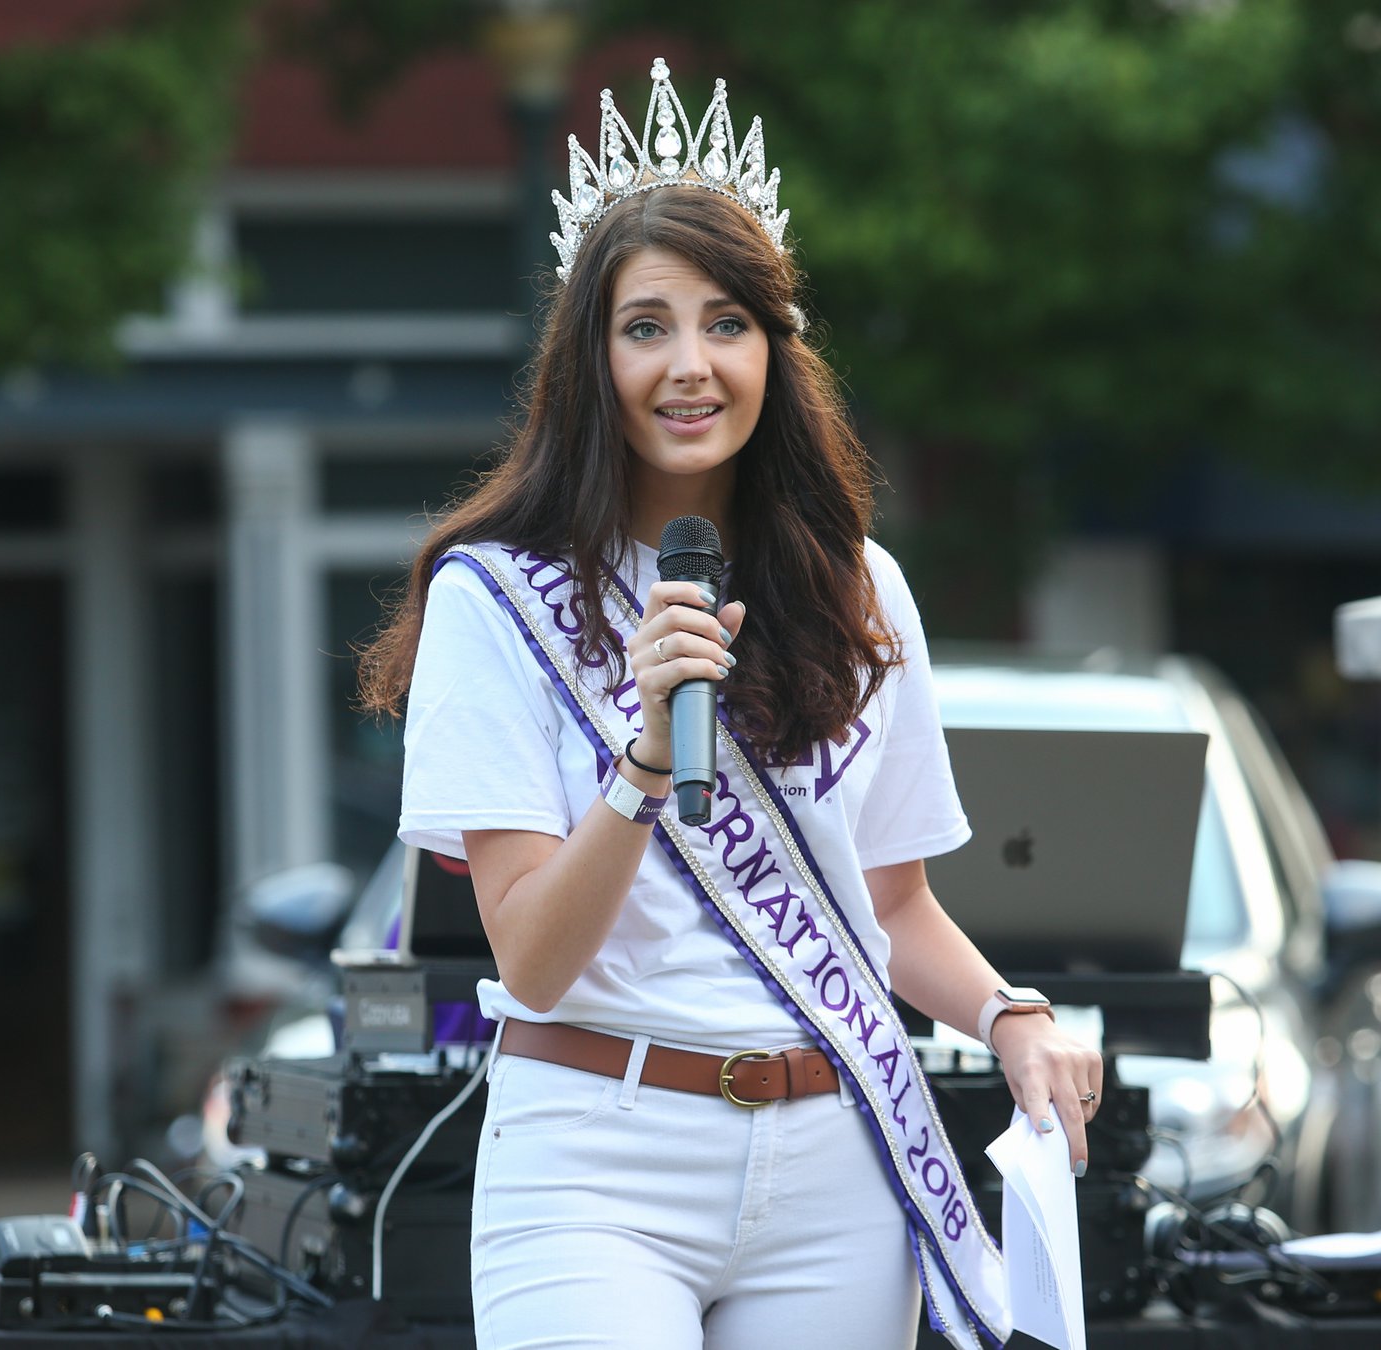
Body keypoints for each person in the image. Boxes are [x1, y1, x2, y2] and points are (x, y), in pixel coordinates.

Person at [359, 57, 1103, 1350]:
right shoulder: (498, 601)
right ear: (588, 357)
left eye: (726, 322)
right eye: (645, 325)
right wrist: (647, 757)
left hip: (833, 1162)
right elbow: (529, 954)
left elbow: (891, 906)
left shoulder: (860, 589)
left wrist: (1010, 1014)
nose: (689, 364)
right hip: (597, 1154)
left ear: (776, 347)